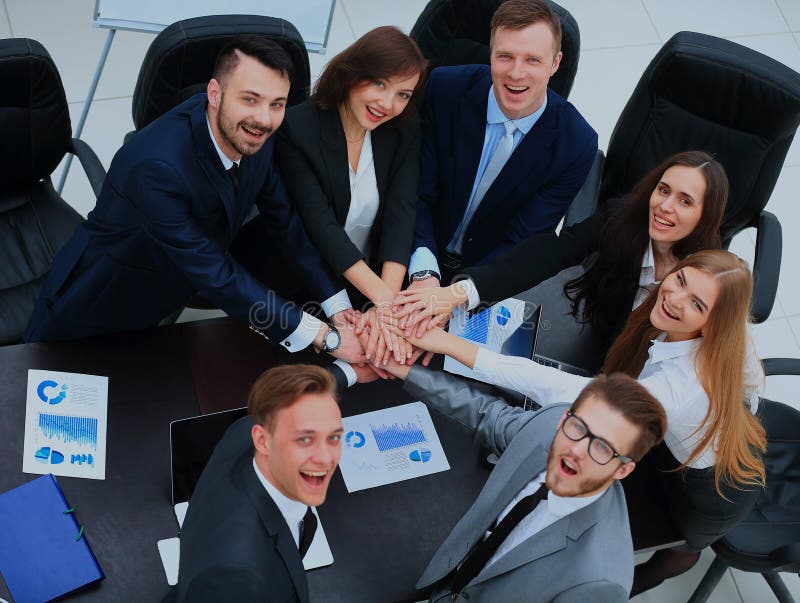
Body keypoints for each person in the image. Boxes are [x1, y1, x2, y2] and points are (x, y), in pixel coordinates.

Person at [406, 249, 767, 593]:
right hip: (680, 447)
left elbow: (575, 394)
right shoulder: (721, 336)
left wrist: (450, 344)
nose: (675, 297)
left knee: (681, 545)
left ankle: (640, 583)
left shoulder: (677, 389)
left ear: (714, 325)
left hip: (712, 487)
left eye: (697, 304)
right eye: (682, 280)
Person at [23, 36, 364, 367]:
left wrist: (337, 306)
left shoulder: (257, 135)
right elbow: (216, 273)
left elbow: (287, 224)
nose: (264, 118)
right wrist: (325, 336)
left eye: (277, 104)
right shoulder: (154, 168)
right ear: (214, 93)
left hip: (171, 290)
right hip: (102, 302)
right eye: (250, 99)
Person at [379, 357, 666, 602]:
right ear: (564, 417)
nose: (576, 449)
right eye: (578, 426)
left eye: (603, 447)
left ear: (623, 470)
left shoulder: (600, 581)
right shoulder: (548, 427)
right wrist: (396, 366)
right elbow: (485, 415)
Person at [394, 151, 728, 351]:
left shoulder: (708, 274)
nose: (665, 207)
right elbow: (549, 253)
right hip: (606, 342)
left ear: (705, 216)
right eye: (663, 190)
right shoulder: (622, 219)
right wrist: (458, 293)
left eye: (685, 201)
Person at [238, 27, 427, 370]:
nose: (388, 104)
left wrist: (388, 305)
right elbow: (319, 223)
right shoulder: (298, 127)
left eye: (403, 94)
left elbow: (403, 211)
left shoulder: (403, 130)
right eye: (380, 84)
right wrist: (385, 304)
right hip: (294, 280)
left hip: (363, 284)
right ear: (352, 74)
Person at [406, 0, 597, 293]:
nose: (516, 74)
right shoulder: (444, 89)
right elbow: (415, 192)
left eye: (533, 60)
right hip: (412, 247)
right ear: (490, 53)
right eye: (505, 56)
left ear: (555, 63)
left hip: (486, 281)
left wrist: (456, 296)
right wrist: (423, 271)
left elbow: (522, 241)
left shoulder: (576, 144)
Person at [176, 365, 342, 602]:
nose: (325, 458)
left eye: (333, 437)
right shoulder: (235, 576)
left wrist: (351, 370)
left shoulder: (243, 433)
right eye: (304, 439)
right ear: (262, 441)